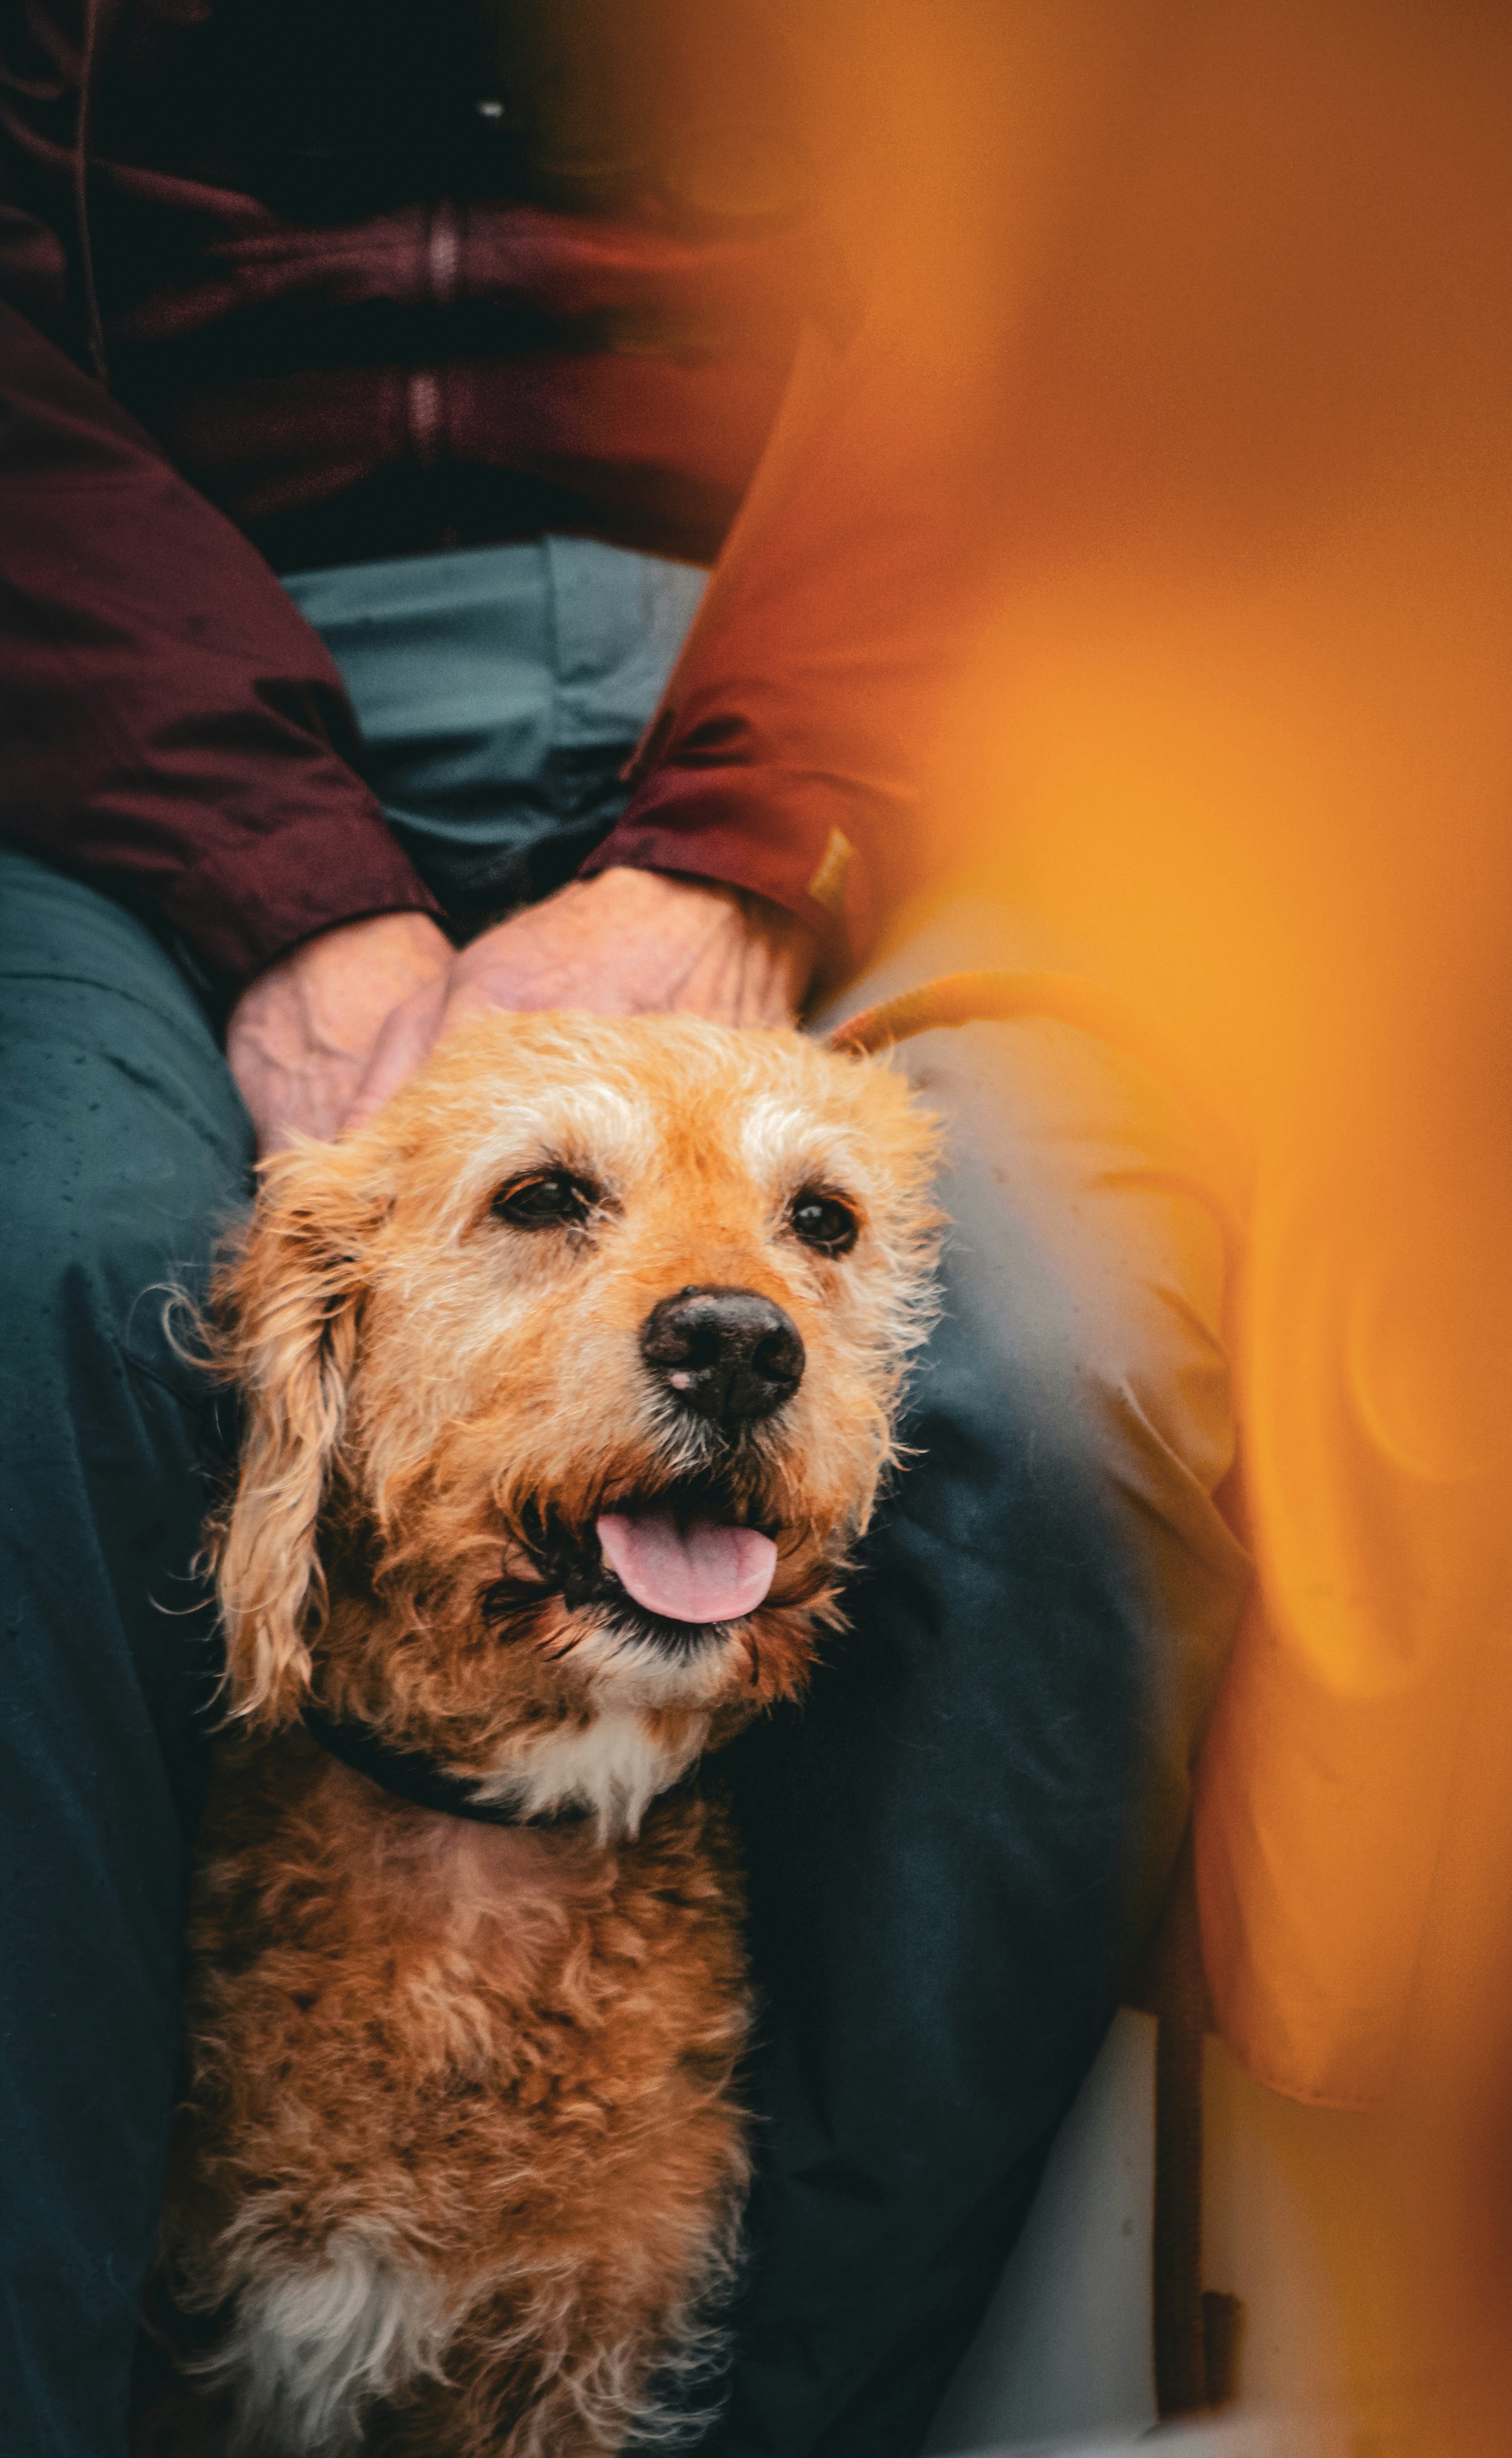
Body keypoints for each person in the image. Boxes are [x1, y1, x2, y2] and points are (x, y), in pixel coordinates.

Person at [0, 5, 1247, 2452]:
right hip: (118, 690)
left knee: (1054, 1382)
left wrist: (738, 833)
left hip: (864, 682)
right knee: (55, 1274)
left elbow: (1057, 265)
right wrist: (271, 879)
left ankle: (724, 2412)